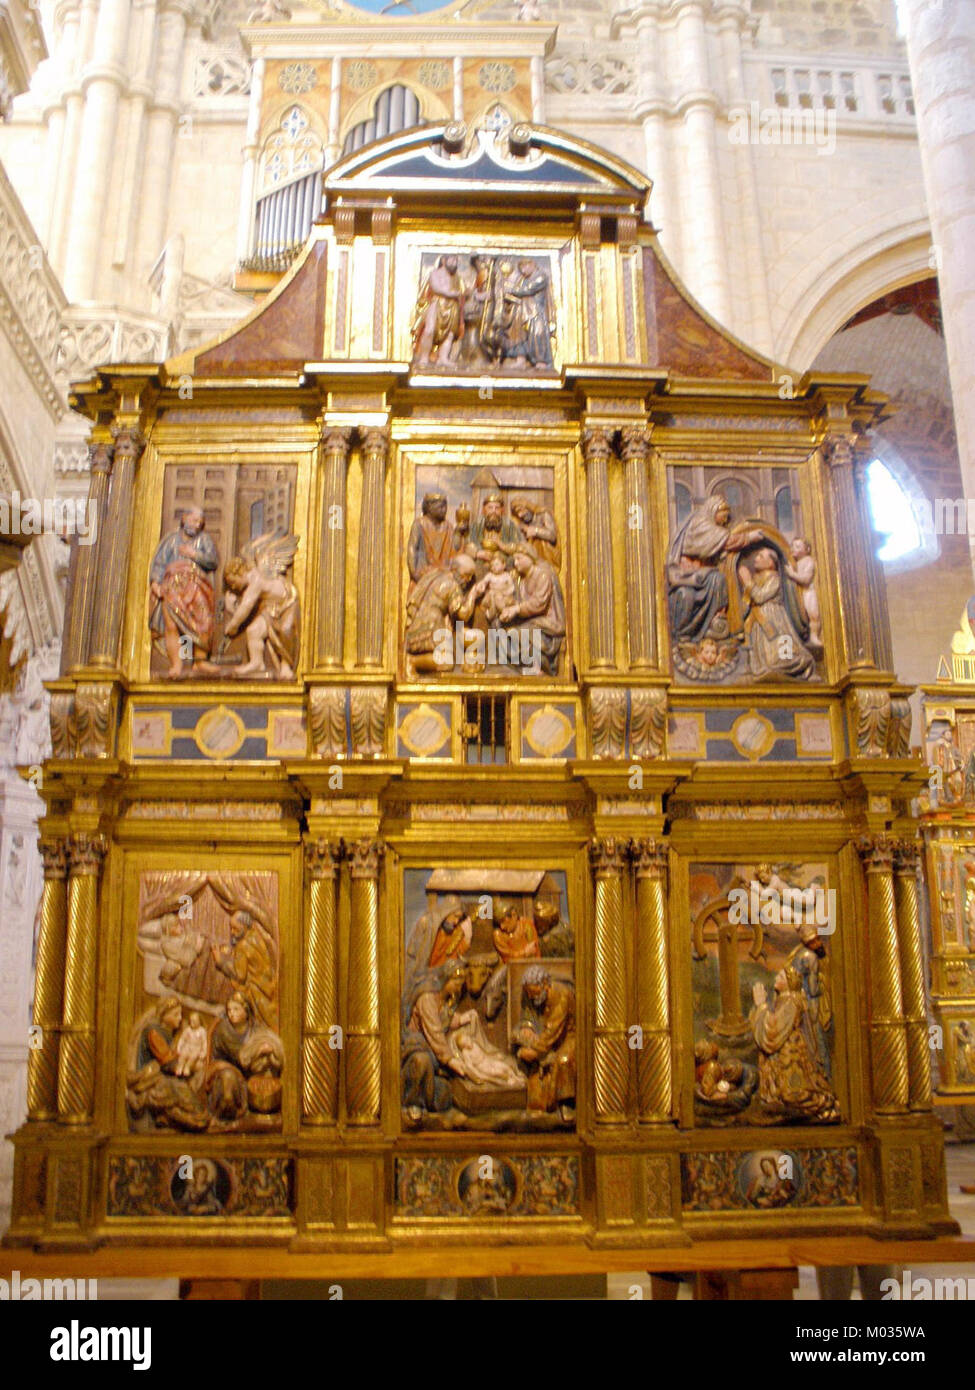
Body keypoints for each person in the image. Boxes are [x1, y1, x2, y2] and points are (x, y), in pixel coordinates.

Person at [667, 495, 763, 647]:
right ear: (715, 510)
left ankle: (716, 620)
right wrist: (749, 537)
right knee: (695, 590)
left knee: (718, 579)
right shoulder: (701, 523)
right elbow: (725, 541)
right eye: (724, 517)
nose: (725, 522)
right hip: (687, 573)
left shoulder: (708, 525)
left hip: (703, 573)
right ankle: (684, 633)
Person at [750, 970, 839, 1122]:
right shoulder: (785, 999)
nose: (776, 978)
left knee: (792, 1093)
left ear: (790, 982)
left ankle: (825, 1104)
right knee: (784, 1092)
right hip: (784, 1052)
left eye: (781, 976)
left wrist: (761, 1006)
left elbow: (774, 1029)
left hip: (791, 1054)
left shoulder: (791, 1000)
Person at [148, 507, 219, 677]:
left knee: (201, 623)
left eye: (199, 523)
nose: (197, 525)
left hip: (196, 586)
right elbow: (159, 562)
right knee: (172, 625)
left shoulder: (204, 540)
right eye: (194, 521)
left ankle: (199, 661)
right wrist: (155, 583)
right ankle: (177, 664)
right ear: (185, 518)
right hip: (172, 586)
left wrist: (194, 554)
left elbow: (212, 561)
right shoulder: (171, 540)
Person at [222, 533, 300, 679]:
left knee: (285, 632)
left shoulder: (255, 579)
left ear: (239, 573)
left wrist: (232, 626)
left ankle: (286, 666)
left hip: (286, 603)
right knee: (254, 630)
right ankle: (257, 663)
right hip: (270, 608)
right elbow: (244, 606)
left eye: (233, 582)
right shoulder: (251, 580)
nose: (233, 587)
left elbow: (246, 606)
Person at [739, 546, 817, 681]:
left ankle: (794, 668)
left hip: (774, 620)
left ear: (770, 563)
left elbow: (760, 597)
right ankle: (762, 668)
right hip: (758, 620)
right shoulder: (757, 577)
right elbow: (748, 600)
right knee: (763, 654)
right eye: (757, 556)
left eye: (761, 556)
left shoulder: (774, 578)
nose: (756, 559)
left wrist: (747, 582)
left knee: (782, 654)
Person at [514, 964, 576, 1121]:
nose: (531, 996)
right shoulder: (531, 994)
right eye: (528, 992)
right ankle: (538, 1106)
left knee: (563, 1060)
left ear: (545, 985)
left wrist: (535, 1051)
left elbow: (553, 1028)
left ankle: (567, 1103)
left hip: (569, 1036)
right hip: (544, 1038)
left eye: (533, 992)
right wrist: (527, 1027)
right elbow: (528, 1014)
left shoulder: (561, 995)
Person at [498, 545, 567, 676]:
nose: (516, 563)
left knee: (524, 632)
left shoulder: (543, 574)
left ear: (529, 557)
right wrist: (506, 606)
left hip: (549, 621)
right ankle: (517, 666)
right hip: (530, 620)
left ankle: (536, 666)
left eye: (518, 559)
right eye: (514, 560)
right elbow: (518, 600)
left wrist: (516, 609)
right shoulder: (520, 578)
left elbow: (539, 604)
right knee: (502, 629)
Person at [404, 553, 479, 672]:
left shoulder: (435, 574)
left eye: (470, 577)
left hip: (416, 623)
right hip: (430, 625)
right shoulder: (452, 585)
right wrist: (473, 596)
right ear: (455, 570)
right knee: (446, 662)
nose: (468, 580)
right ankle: (412, 661)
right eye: (466, 575)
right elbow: (463, 615)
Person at [212, 909, 277, 1027]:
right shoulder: (256, 937)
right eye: (231, 928)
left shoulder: (242, 946)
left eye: (236, 929)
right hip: (266, 986)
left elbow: (240, 976)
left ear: (245, 926)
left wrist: (220, 961)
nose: (232, 932)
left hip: (254, 992)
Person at [787, 922, 832, 1076]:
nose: (818, 943)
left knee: (809, 1040)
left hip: (799, 1002)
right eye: (814, 941)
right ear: (808, 943)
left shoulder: (797, 954)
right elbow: (813, 989)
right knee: (817, 1041)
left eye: (818, 939)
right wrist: (824, 987)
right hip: (811, 1004)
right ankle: (823, 1073)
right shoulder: (811, 957)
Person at [411, 254, 465, 367]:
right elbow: (436, 287)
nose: (455, 263)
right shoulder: (435, 273)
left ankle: (443, 358)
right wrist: (451, 293)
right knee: (429, 330)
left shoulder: (456, 277)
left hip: (452, 306)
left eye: (456, 261)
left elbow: (462, 291)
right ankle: (424, 357)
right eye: (452, 260)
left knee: (450, 334)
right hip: (437, 303)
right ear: (444, 260)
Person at [407, 493, 457, 584]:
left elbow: (453, 550)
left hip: (444, 573)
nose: (444, 510)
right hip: (424, 574)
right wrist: (414, 573)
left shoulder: (448, 526)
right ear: (429, 507)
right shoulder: (419, 524)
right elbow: (412, 549)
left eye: (445, 507)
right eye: (440, 507)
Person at [785, 537, 822, 652]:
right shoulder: (793, 563)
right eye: (793, 546)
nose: (794, 549)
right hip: (797, 594)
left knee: (813, 615)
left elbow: (806, 579)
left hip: (807, 592)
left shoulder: (808, 561)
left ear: (807, 549)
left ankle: (814, 636)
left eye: (798, 546)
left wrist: (792, 574)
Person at [511, 498, 561, 568]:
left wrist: (534, 531)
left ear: (528, 506)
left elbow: (552, 536)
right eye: (517, 513)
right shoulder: (524, 523)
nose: (520, 515)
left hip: (547, 555)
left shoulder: (543, 514)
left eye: (521, 510)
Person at [472, 553, 516, 625]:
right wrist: (481, 586)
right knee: (493, 596)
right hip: (491, 595)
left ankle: (502, 613)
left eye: (496, 565)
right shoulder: (490, 575)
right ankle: (493, 614)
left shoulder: (507, 576)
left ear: (503, 565)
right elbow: (483, 582)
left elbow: (511, 588)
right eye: (492, 566)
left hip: (503, 597)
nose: (494, 567)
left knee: (499, 598)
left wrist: (505, 593)